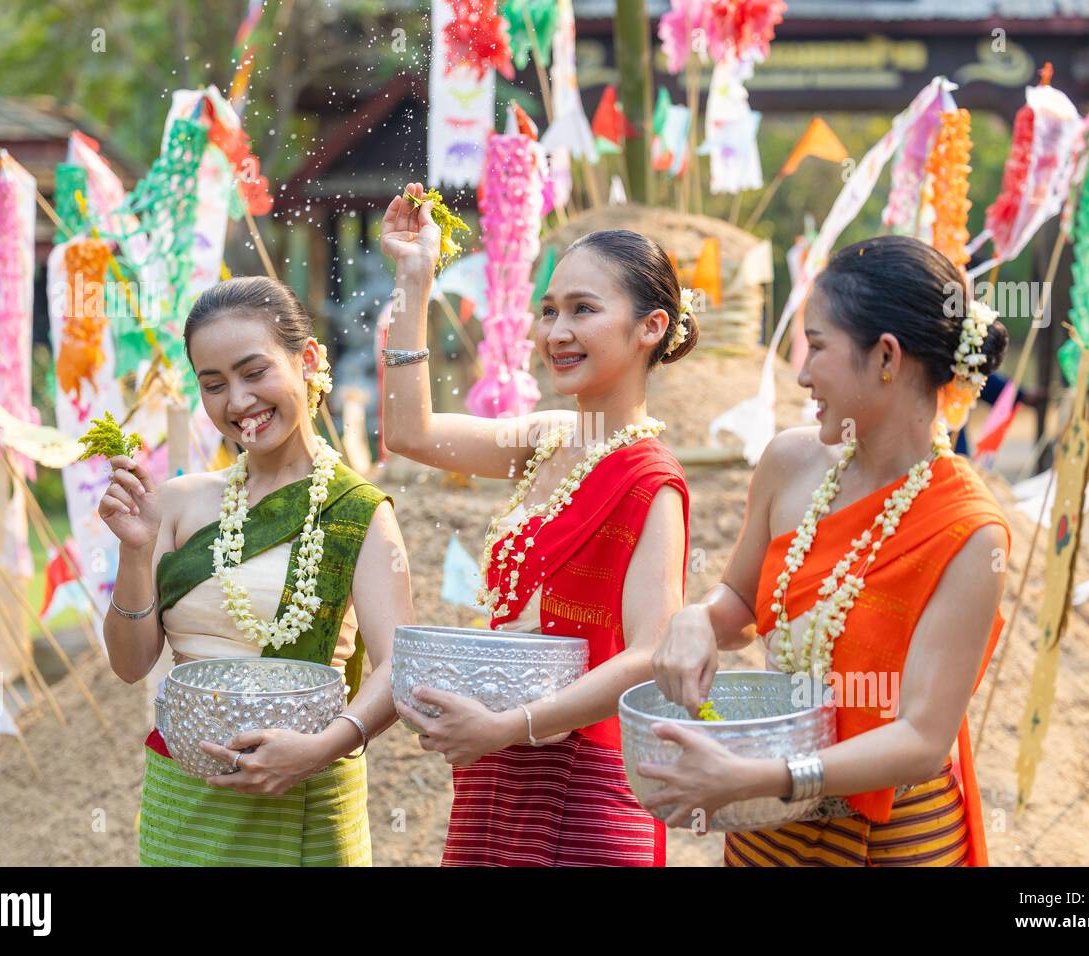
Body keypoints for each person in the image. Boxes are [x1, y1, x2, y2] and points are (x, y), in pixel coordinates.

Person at [645, 235, 1012, 867]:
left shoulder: (970, 532)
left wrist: (764, 777)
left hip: (894, 837)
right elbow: (738, 601)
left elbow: (924, 739)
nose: (802, 372)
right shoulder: (789, 462)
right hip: (769, 829)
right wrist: (694, 619)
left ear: (887, 358)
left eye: (817, 346)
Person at [381, 182, 692, 866]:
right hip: (492, 771)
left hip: (583, 790)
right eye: (548, 310)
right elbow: (409, 431)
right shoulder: (546, 438)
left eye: (583, 309)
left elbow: (650, 655)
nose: (555, 333)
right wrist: (413, 279)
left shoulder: (652, 481)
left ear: (651, 327)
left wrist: (508, 726)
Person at [100, 275, 414, 866]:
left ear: (308, 360)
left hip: (304, 799)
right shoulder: (178, 502)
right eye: (213, 384)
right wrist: (134, 554)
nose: (238, 402)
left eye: (254, 372)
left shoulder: (357, 513)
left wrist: (322, 747)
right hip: (184, 801)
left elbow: (398, 665)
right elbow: (129, 663)